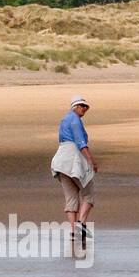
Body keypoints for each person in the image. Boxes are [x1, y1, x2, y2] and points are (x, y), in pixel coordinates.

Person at [51, 96, 98, 245]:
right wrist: (91, 160)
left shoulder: (64, 120)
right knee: (88, 193)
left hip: (60, 159)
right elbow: (80, 143)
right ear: (75, 107)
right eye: (82, 106)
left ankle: (73, 232)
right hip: (73, 158)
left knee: (71, 197)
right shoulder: (75, 121)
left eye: (86, 106)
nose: (84, 109)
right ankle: (80, 225)